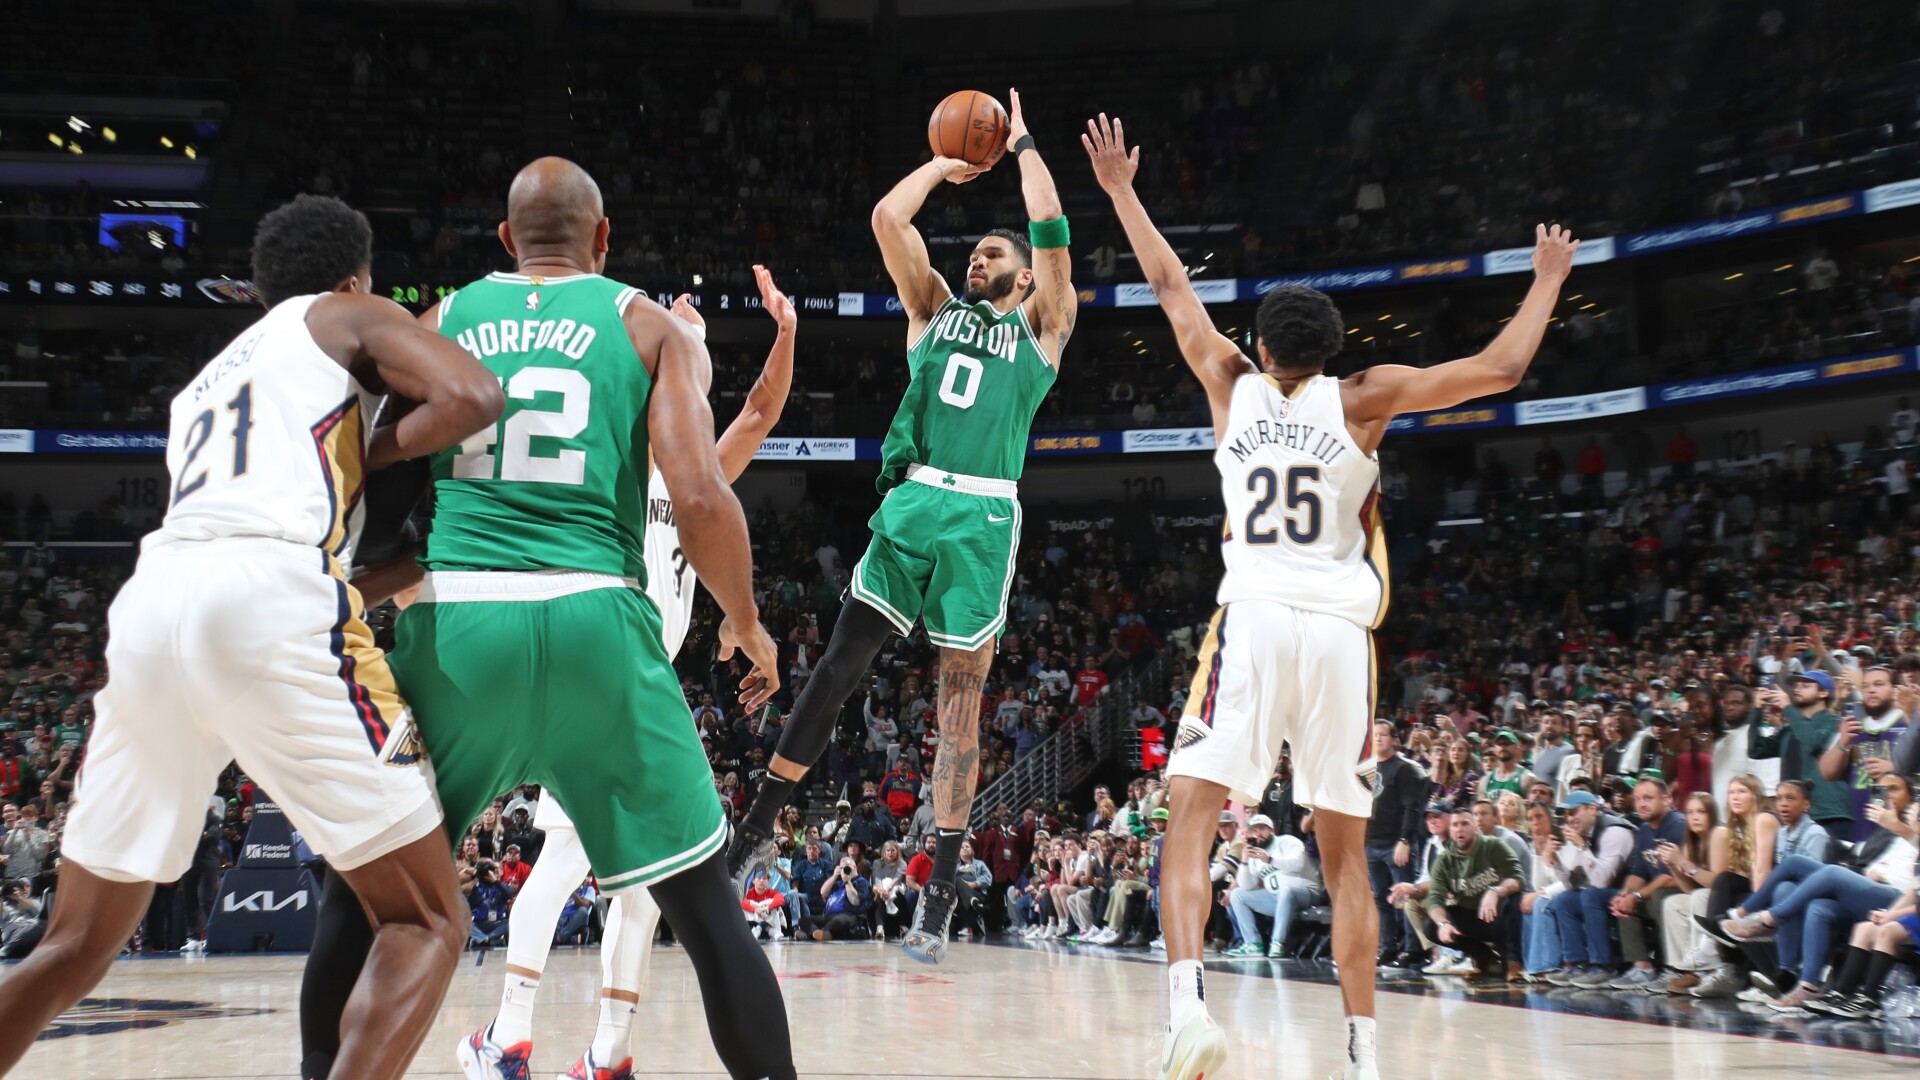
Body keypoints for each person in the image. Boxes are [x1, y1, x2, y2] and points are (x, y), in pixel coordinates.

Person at [1083, 111, 1579, 1080]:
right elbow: (1502, 369)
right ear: (1333, 346)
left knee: (1190, 812)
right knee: (1346, 858)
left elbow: (1169, 287)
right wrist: (1549, 279)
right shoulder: (1363, 399)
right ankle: (1362, 1059)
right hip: (1342, 643)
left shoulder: (1230, 383)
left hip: (1258, 618)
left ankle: (1187, 1010)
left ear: (1261, 344)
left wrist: (1120, 189)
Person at [0, 194, 502, 1080]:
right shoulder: (346, 312)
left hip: (155, 604)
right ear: (355, 277)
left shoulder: (210, 380)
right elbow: (472, 395)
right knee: (425, 919)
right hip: (266, 594)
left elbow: (273, 557)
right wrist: (375, 451)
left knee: (72, 945)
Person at [391, 159, 794, 1080]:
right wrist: (750, 622)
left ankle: (526, 1043)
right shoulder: (648, 378)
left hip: (465, 625)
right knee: (696, 912)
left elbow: (369, 457)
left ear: (505, 239)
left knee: (374, 900)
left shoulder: (444, 320)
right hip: (604, 642)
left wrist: (387, 579)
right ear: (603, 240)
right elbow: (709, 480)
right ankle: (538, 1039)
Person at [726, 89, 1079, 972]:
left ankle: (940, 889)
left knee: (961, 707)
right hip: (917, 499)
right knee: (837, 670)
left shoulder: (1042, 328)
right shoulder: (932, 312)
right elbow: (890, 217)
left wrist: (1025, 142)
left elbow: (1053, 232)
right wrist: (943, 164)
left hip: (985, 513)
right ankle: (755, 836)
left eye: (993, 252)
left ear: (1024, 277)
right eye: (975, 250)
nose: (977, 258)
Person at [1390, 808, 1524, 985]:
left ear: (1475, 827)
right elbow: (1435, 899)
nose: (1460, 829)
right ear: (1451, 830)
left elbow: (1517, 878)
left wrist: (1496, 891)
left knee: (1514, 898)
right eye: (1455, 825)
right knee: (1432, 926)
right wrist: (1443, 923)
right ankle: (1483, 956)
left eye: (1464, 824)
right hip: (1472, 917)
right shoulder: (1444, 860)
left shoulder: (1493, 846)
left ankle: (1513, 962)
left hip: (1500, 915)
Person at [1750, 673, 1850, 845]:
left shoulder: (1835, 722)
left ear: (1823, 693)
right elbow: (1756, 750)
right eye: (1797, 685)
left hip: (1830, 815)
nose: (1797, 688)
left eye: (1806, 685)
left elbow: (1814, 741)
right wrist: (1757, 711)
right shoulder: (1789, 730)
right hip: (1796, 818)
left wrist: (1789, 708)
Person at [1364, 721, 1429, 967]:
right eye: (1375, 735)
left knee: (1405, 897)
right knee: (1381, 899)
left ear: (1394, 739)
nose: (1378, 739)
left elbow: (1412, 808)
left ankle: (1413, 949)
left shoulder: (1405, 768)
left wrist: (1405, 840)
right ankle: (1388, 948)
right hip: (1371, 842)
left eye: (1383, 735)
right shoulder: (1366, 768)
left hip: (1395, 844)